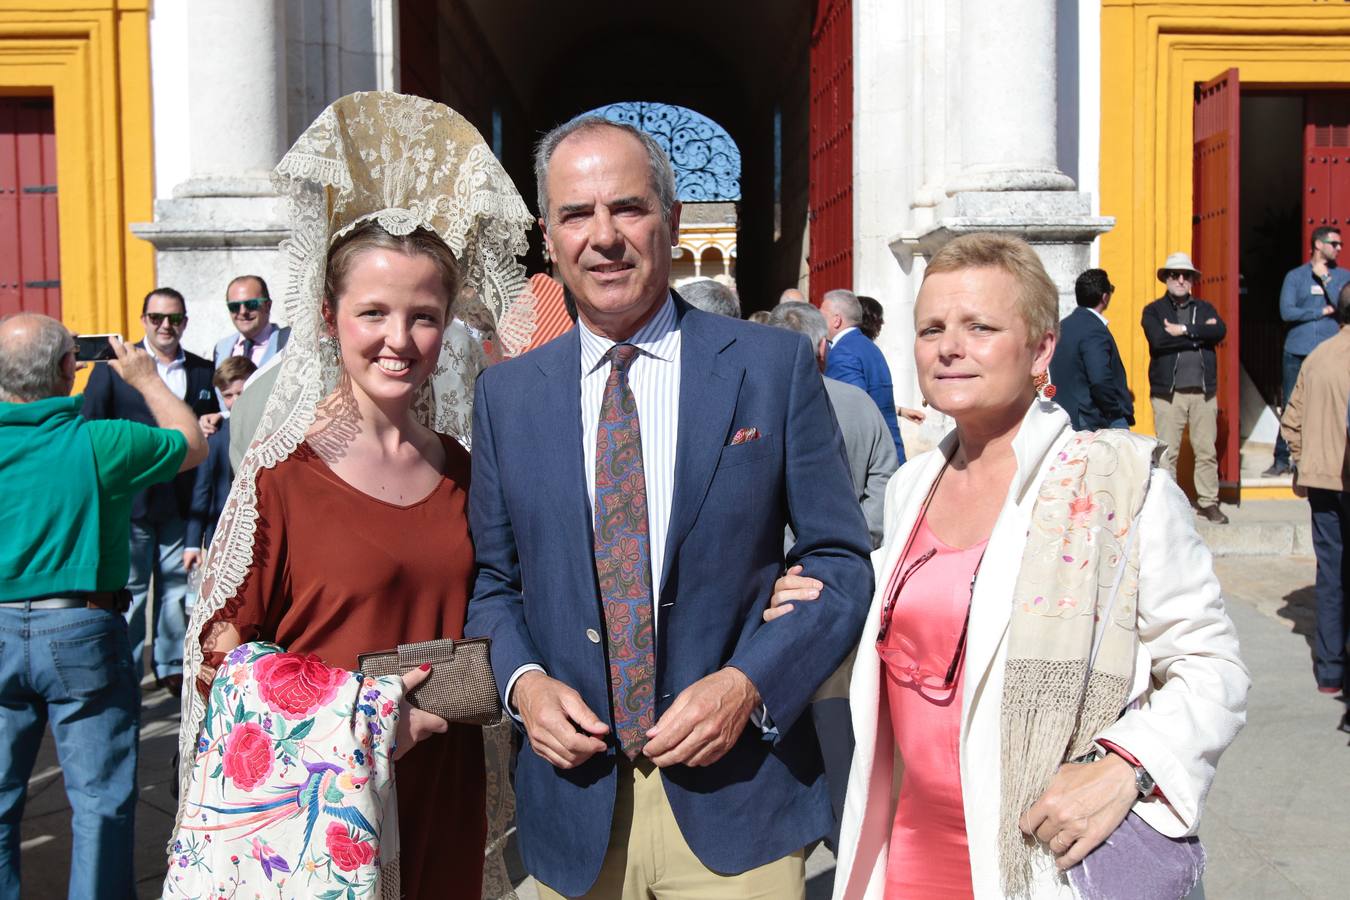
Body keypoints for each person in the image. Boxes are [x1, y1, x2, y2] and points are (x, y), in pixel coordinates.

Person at [464, 115, 873, 899]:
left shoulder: (770, 367)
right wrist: (523, 685)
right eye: (576, 215)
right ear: (548, 239)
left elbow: (838, 560)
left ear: (674, 222)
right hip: (571, 806)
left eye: (628, 207)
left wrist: (750, 681)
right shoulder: (507, 398)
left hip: (740, 797)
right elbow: (494, 581)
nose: (603, 236)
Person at [772, 233, 1248, 899]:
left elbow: (1211, 665)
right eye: (932, 327)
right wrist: (823, 600)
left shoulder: (1116, 485)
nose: (949, 347)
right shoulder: (914, 487)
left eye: (981, 327)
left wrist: (1127, 767)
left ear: (1041, 348)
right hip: (907, 842)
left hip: (1037, 855)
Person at [173, 92, 537, 899]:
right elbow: (218, 658)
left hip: (445, 798)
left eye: (424, 316)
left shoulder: (468, 472)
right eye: (374, 312)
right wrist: (358, 723)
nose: (398, 341)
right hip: (320, 817)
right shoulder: (284, 479)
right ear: (330, 316)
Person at [0, 314, 206, 899]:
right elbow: (192, 443)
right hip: (81, 627)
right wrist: (146, 378)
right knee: (99, 802)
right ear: (71, 369)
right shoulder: (102, 441)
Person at [81, 288, 219, 694]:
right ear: (143, 320)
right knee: (134, 588)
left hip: (181, 501)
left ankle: (171, 665)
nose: (165, 326)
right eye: (157, 317)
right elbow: (91, 425)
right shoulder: (112, 370)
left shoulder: (201, 370)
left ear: (185, 323)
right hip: (132, 503)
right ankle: (126, 663)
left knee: (176, 589)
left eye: (174, 318)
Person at [770, 300, 898, 549]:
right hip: (848, 559)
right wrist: (861, 539)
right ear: (821, 347)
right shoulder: (859, 402)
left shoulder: (751, 403)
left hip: (777, 572)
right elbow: (884, 478)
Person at [1280, 282, 1350, 730]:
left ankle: (1329, 671)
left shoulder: (1319, 356)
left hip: (1323, 479)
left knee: (1330, 574)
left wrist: (1304, 460)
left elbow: (1292, 420)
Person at [1140, 252, 1229, 524]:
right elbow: (1158, 341)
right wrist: (1198, 335)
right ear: (1166, 278)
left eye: (1186, 275)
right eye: (1174, 274)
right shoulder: (1154, 311)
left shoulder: (1205, 308)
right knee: (1168, 452)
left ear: (1192, 280)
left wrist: (1184, 330)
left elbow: (1219, 331)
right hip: (1170, 392)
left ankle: (1208, 502)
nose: (1180, 279)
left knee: (1206, 450)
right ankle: (1171, 506)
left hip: (1203, 392)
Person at [1268, 226, 1350, 476]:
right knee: (1292, 402)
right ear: (1317, 244)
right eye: (1334, 243)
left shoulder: (1343, 277)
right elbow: (1287, 311)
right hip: (1298, 350)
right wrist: (1319, 312)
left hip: (1332, 353)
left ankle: (1331, 458)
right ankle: (1282, 458)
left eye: (1340, 244)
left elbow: (1343, 305)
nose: (1338, 248)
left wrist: (1325, 280)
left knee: (1336, 403)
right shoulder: (1295, 277)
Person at [183, 356, 257, 574]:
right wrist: (192, 543)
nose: (235, 401)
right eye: (228, 396)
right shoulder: (215, 436)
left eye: (241, 393)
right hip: (223, 535)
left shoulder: (272, 427)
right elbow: (202, 490)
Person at [822, 288, 906, 463]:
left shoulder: (842, 352)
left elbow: (851, 415)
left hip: (870, 462)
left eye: (822, 315)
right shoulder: (867, 346)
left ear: (836, 320)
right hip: (889, 451)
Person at [1050, 268, 1134, 430]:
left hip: (1066, 414)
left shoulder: (1063, 326)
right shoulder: (1094, 329)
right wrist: (1113, 412)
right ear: (1105, 297)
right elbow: (1099, 378)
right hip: (1092, 418)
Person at [211, 274, 291, 367]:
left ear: (268, 306)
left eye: (251, 304)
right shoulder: (221, 349)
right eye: (234, 306)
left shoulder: (289, 343)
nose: (243, 312)